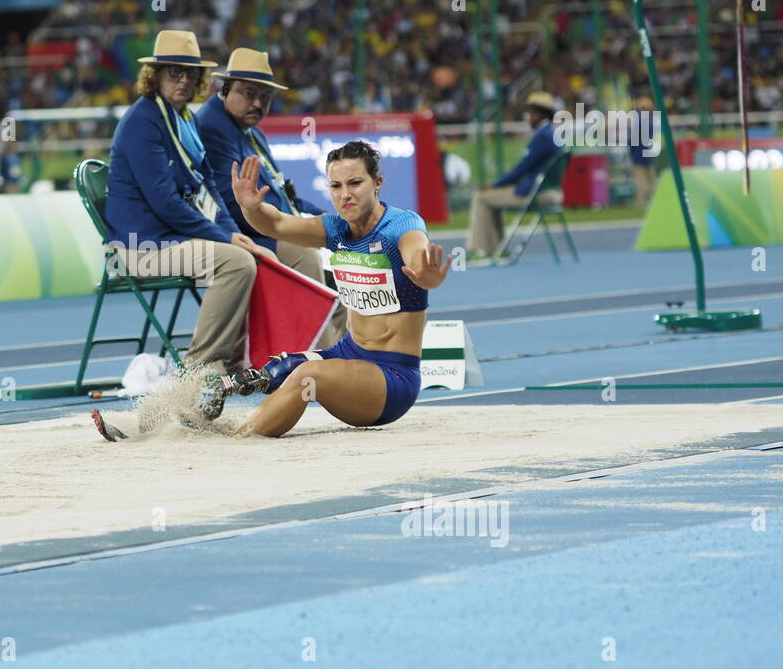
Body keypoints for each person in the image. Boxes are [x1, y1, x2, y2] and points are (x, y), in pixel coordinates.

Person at [223, 140, 449, 437]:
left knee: (306, 376)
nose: (345, 195)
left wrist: (424, 274)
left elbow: (416, 251)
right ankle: (220, 414)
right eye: (336, 186)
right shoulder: (335, 229)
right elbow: (276, 224)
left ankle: (239, 441)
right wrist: (249, 207)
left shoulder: (401, 225)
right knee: (282, 367)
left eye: (355, 183)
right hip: (348, 353)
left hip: (392, 378)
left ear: (377, 182)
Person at [105, 29, 272, 394]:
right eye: (173, 72)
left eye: (190, 74)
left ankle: (232, 364)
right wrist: (225, 237)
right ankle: (196, 372)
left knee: (249, 255)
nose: (183, 81)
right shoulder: (142, 121)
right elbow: (166, 201)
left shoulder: (185, 120)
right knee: (236, 262)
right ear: (155, 75)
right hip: (138, 247)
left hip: (170, 238)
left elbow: (209, 187)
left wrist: (233, 232)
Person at [196, 47, 346, 348]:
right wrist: (289, 226)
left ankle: (346, 352)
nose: (257, 103)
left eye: (264, 96)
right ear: (225, 90)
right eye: (248, 93)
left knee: (343, 252)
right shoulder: (212, 128)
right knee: (303, 253)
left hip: (266, 225)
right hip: (239, 234)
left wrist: (332, 222)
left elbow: (283, 193)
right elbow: (233, 205)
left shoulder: (249, 130)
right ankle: (324, 360)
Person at [466, 91, 563, 258]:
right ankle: (498, 249)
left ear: (540, 114)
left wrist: (495, 185)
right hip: (550, 191)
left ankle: (480, 249)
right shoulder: (552, 134)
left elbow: (521, 169)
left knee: (481, 197)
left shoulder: (543, 137)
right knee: (491, 197)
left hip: (538, 194)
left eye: (530, 113)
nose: (527, 117)